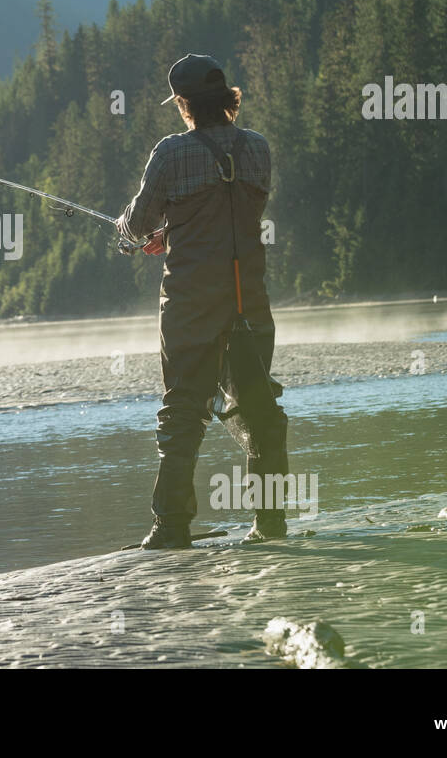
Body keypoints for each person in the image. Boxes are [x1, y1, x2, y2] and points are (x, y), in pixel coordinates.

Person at [116, 54, 289, 548]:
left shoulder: (171, 153)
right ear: (226, 98)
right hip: (249, 300)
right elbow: (230, 214)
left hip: (192, 304)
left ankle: (171, 526)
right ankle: (270, 522)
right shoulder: (258, 148)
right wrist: (176, 230)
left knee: (182, 411)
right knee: (259, 408)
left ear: (184, 103)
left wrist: (134, 231)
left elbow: (137, 223)